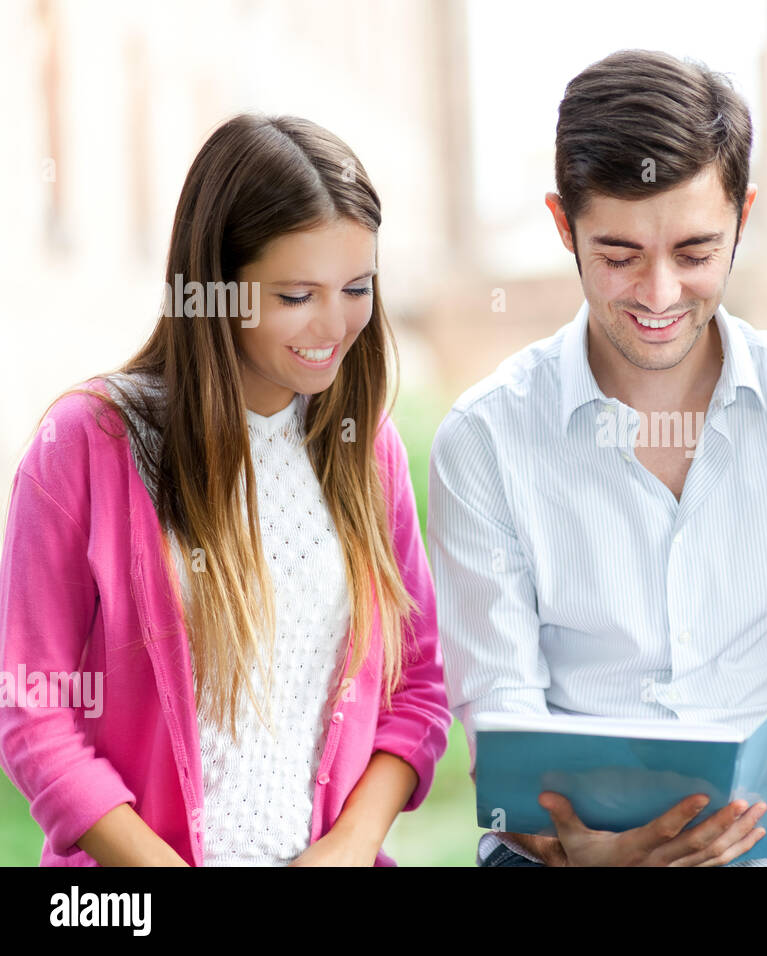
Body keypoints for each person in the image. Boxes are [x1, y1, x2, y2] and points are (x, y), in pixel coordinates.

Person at [429, 49, 767, 868]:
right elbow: (503, 721)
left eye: (697, 253)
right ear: (564, 226)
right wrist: (594, 853)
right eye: (619, 254)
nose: (660, 295)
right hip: (559, 858)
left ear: (744, 215)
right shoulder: (485, 439)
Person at [0, 114, 451, 866]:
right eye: (297, 295)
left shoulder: (366, 449)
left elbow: (418, 691)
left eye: (356, 287)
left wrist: (349, 846)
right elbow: (34, 710)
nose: (335, 325)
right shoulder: (87, 443)